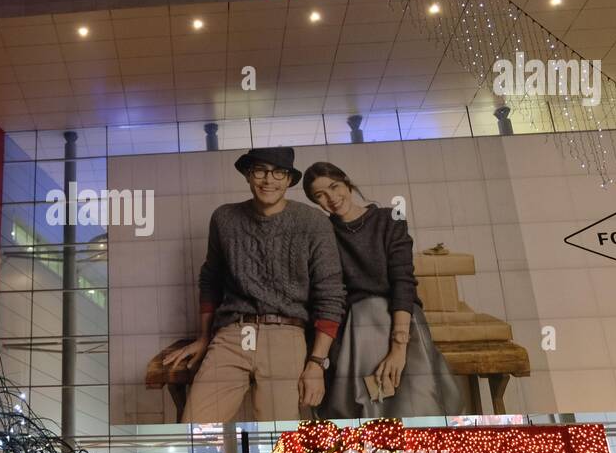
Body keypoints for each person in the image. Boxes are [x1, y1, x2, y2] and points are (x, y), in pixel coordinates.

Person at [167, 148, 346, 429]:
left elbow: (331, 293)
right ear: (249, 176)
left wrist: (316, 363)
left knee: (279, 440)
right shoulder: (224, 219)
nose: (268, 180)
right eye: (260, 171)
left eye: (278, 173)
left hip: (286, 334)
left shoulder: (313, 222)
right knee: (194, 431)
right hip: (231, 334)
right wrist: (203, 337)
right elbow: (210, 279)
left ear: (289, 180)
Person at [301, 162, 462, 419]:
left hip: (398, 317)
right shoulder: (323, 232)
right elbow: (329, 293)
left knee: (413, 392)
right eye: (320, 195)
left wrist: (398, 348)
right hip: (354, 326)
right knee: (366, 314)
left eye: (334, 187)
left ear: (347, 183)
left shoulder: (389, 219)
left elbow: (403, 282)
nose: (331, 198)